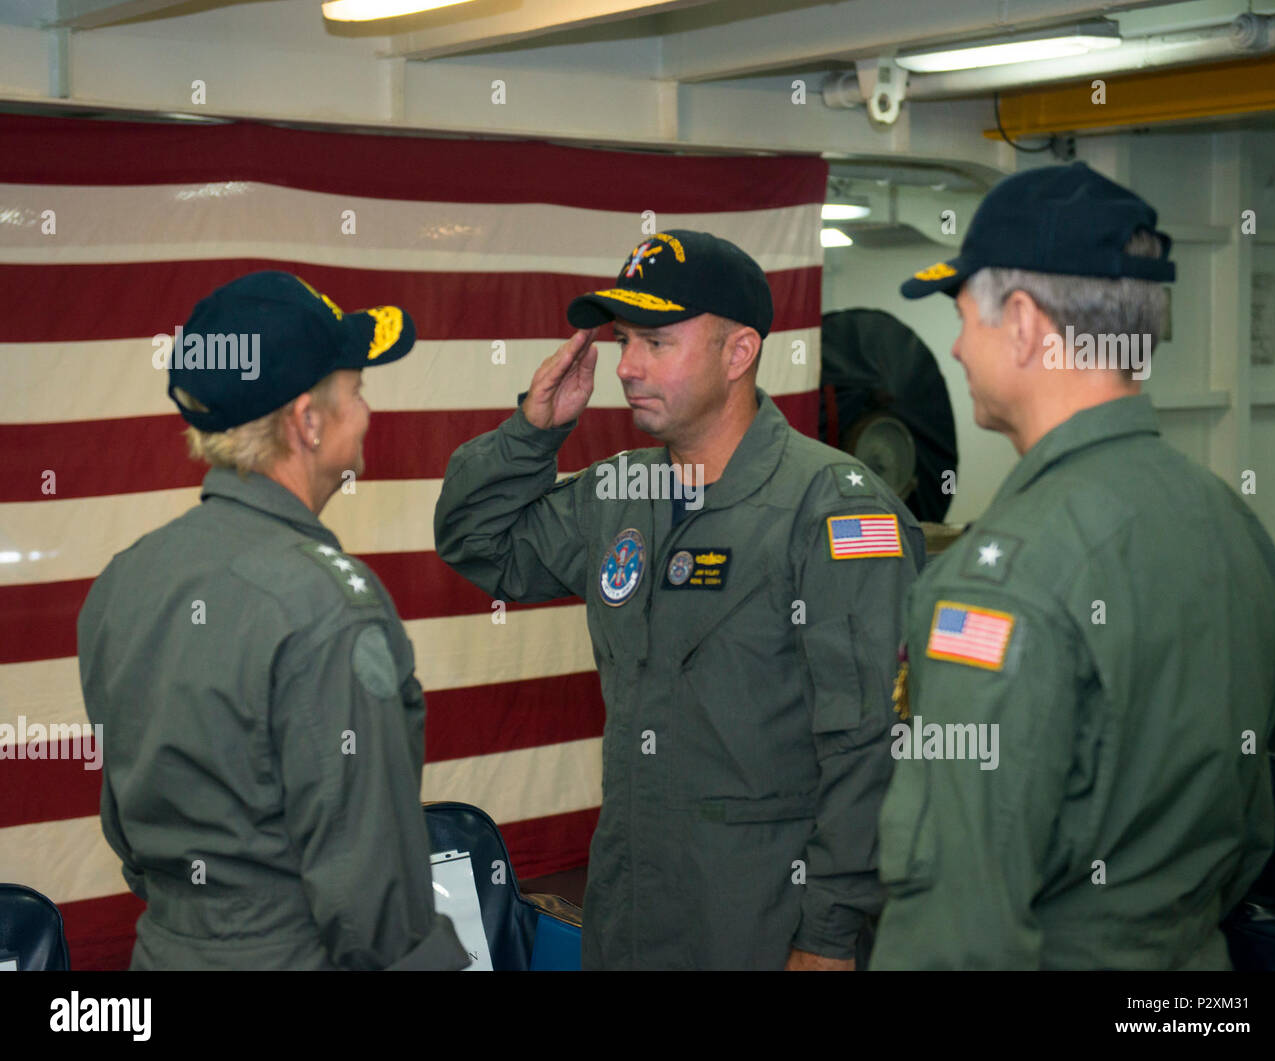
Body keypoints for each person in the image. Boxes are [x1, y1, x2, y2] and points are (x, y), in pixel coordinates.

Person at [435, 230, 925, 969]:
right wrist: (531, 433)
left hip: (761, 925)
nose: (627, 367)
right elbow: (480, 545)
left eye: (656, 342)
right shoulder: (622, 492)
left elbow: (870, 750)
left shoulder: (833, 513)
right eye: (624, 339)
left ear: (739, 354)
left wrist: (826, 938)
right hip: (632, 915)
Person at [869, 162, 1275, 969]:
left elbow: (959, 924)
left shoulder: (1000, 581)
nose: (956, 346)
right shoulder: (1236, 529)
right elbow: (1245, 836)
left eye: (963, 318)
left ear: (1024, 323)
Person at [77, 271, 468, 971]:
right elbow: (374, 900)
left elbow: (131, 831)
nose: (368, 412)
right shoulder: (325, 606)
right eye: (357, 391)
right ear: (307, 422)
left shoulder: (124, 579)